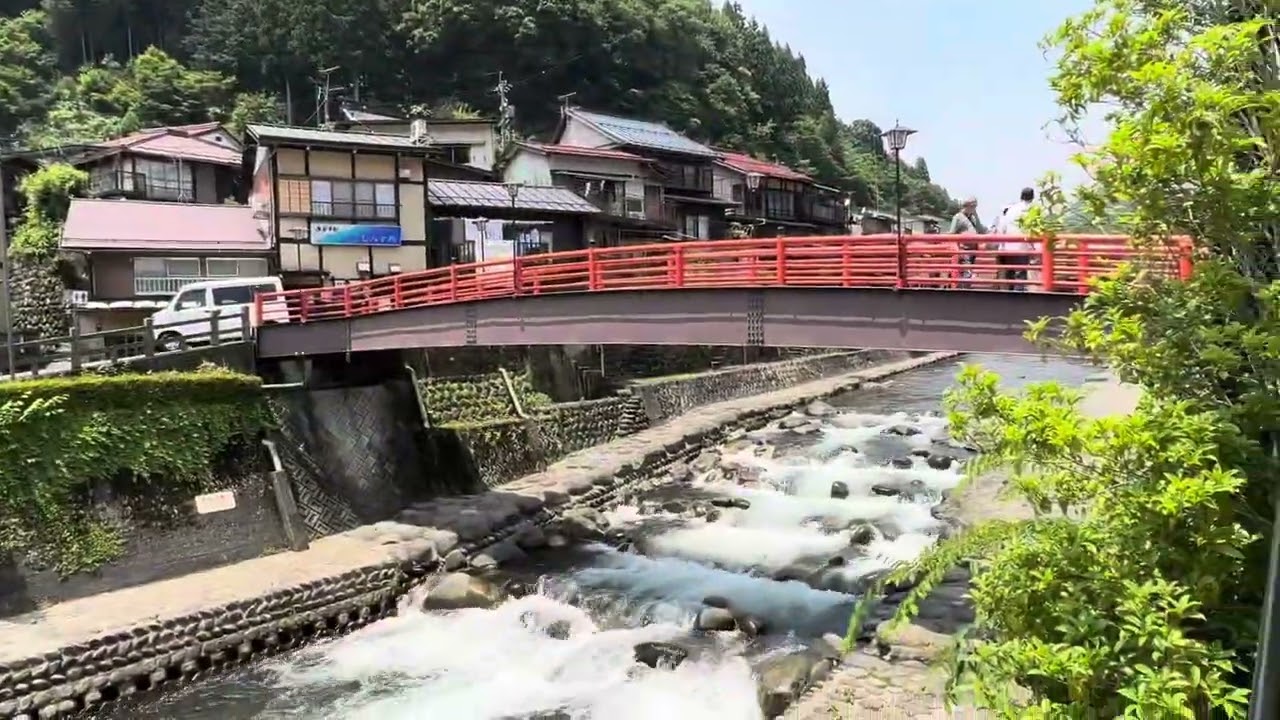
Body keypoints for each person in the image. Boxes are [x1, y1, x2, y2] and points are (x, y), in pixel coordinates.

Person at [993, 187, 1037, 290]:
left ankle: (1007, 299)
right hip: (1022, 247)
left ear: (1021, 196)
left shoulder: (1012, 209)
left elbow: (1002, 228)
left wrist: (1001, 245)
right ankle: (1018, 300)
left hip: (1008, 247)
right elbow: (1034, 231)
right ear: (1032, 197)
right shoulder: (1032, 210)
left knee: (1009, 275)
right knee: (1020, 275)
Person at [948, 197, 986, 281]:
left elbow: (981, 230)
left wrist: (976, 216)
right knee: (966, 273)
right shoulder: (957, 217)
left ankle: (966, 288)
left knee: (969, 272)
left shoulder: (972, 218)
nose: (974, 208)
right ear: (967, 205)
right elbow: (951, 233)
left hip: (973, 250)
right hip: (964, 250)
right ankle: (964, 291)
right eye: (973, 206)